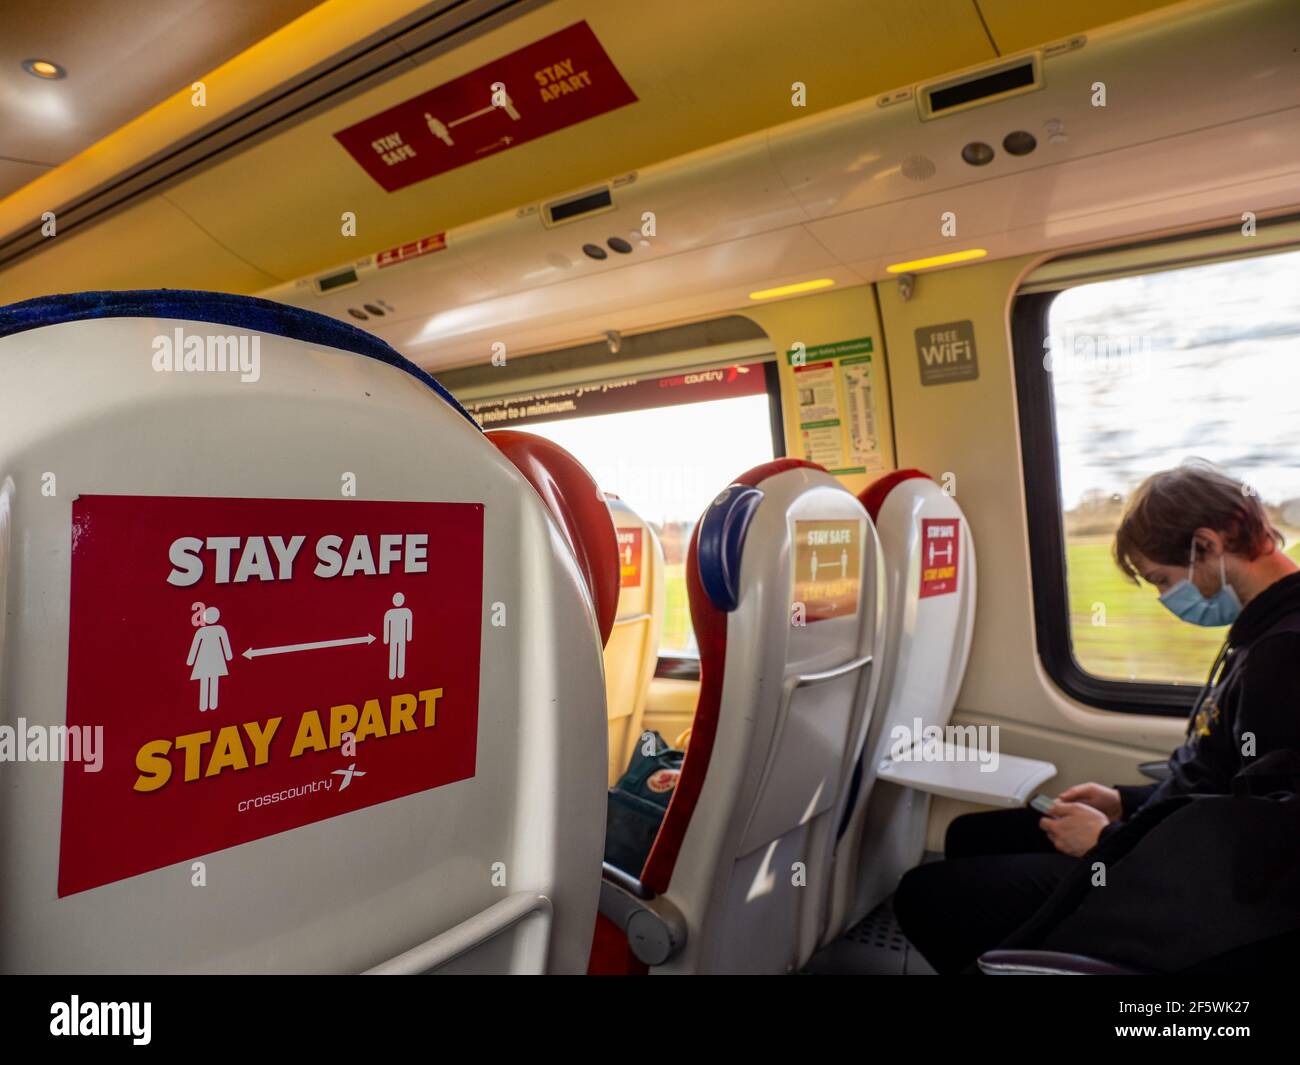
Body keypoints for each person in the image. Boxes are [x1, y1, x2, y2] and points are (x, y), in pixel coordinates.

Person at [893, 460, 1300, 974]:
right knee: (969, 837)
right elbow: (1215, 779)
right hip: (1172, 839)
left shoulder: (1283, 654)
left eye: (1162, 580)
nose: (1164, 598)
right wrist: (1122, 803)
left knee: (927, 896)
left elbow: (1259, 852)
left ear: (1208, 546)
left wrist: (1108, 843)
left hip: (1184, 884)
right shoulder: (1260, 630)